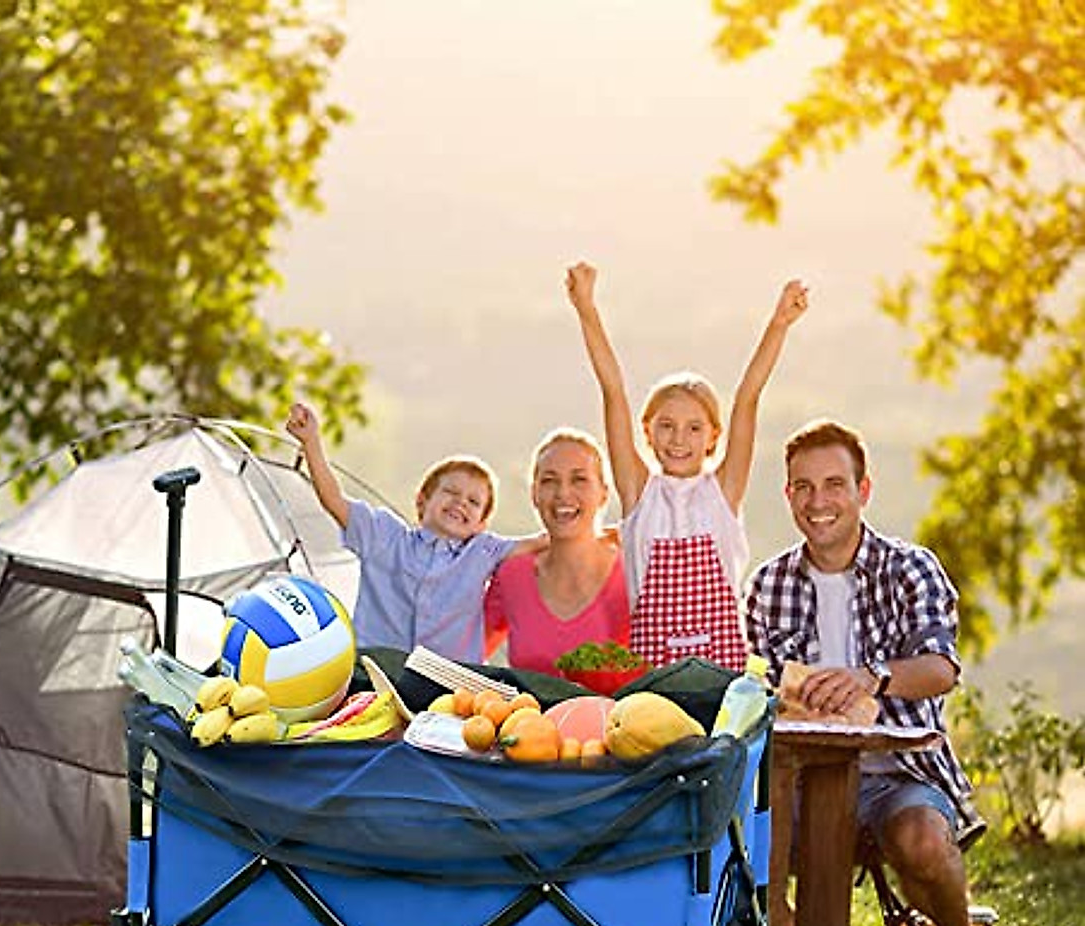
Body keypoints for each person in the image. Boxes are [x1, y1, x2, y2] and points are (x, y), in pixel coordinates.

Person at [744, 418, 1041, 926]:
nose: (818, 501)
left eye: (833, 484)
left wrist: (871, 676)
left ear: (863, 490)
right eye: (803, 487)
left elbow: (940, 668)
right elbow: (758, 686)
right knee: (748, 843)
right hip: (797, 779)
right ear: (788, 497)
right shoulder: (768, 584)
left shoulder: (910, 569)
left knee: (926, 843)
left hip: (897, 774)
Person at [566, 262, 808, 671]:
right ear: (647, 431)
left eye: (694, 427)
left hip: (721, 674)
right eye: (666, 426)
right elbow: (613, 391)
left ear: (714, 435)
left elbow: (748, 397)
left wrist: (779, 324)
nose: (679, 439)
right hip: (652, 678)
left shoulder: (723, 492)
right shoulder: (639, 492)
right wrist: (586, 308)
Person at [286, 401, 541, 662]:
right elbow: (334, 500)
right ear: (422, 502)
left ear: (481, 524)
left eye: (473, 502)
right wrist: (311, 443)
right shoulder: (385, 535)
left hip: (447, 685)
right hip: (373, 671)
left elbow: (539, 544)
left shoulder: (483, 550)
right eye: (451, 492)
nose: (461, 502)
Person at [484, 428, 629, 673]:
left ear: (603, 493)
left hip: (623, 712)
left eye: (579, 479)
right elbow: (461, 657)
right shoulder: (512, 576)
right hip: (529, 712)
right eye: (550, 481)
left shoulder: (633, 573)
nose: (563, 493)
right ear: (535, 494)